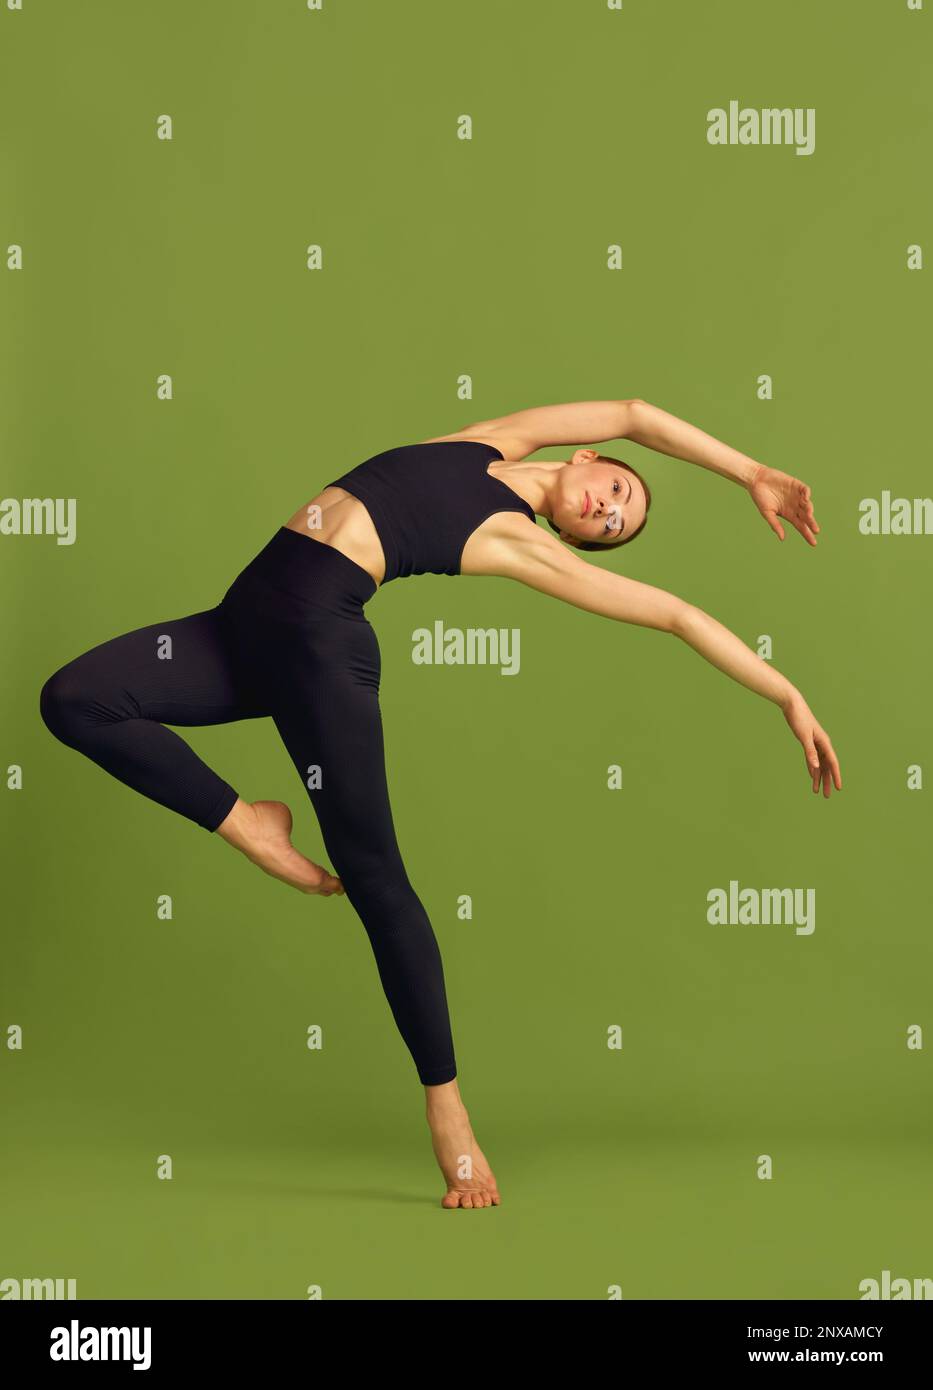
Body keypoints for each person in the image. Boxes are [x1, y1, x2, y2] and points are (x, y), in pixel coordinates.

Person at [38, 397, 842, 1210]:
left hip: (318, 646)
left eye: (610, 530)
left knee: (374, 876)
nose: (605, 513)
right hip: (240, 627)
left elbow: (676, 614)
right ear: (590, 458)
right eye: (617, 496)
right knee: (75, 699)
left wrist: (785, 694)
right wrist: (752, 472)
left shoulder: (517, 539)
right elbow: (634, 409)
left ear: (572, 541)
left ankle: (446, 1106)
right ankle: (248, 821)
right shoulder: (486, 441)